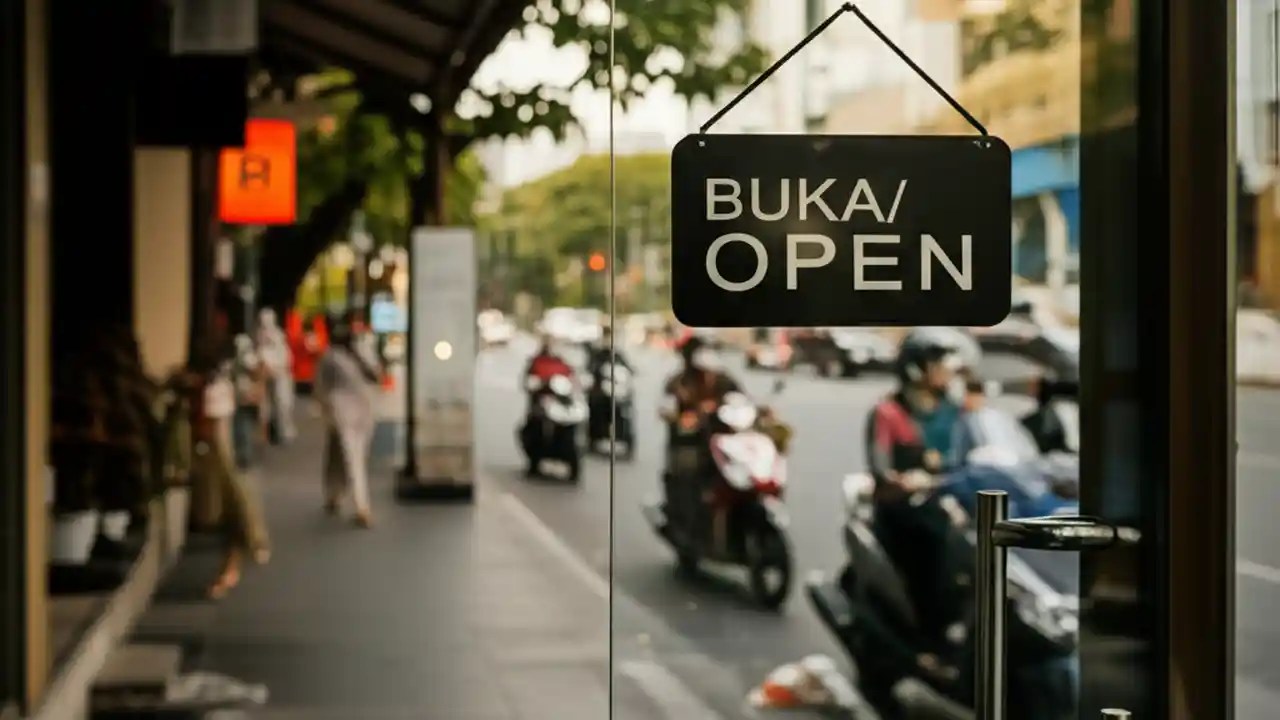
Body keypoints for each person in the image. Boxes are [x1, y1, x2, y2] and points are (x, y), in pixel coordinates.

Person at [862, 329, 972, 675]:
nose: (947, 370)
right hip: (905, 509)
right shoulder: (887, 412)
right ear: (915, 369)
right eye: (938, 363)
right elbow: (880, 468)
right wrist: (903, 480)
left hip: (953, 497)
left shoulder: (954, 410)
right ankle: (934, 641)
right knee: (940, 545)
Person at [191, 343, 271, 599]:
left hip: (223, 459)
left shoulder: (219, 387)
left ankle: (231, 569)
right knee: (233, 514)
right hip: (227, 457)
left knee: (232, 513)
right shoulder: (227, 385)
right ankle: (233, 567)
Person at [315, 320, 382, 527]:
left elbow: (319, 387)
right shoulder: (364, 352)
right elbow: (378, 375)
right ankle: (343, 497)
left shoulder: (330, 357)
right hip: (365, 409)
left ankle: (353, 502)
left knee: (348, 456)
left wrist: (322, 408)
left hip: (342, 411)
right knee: (345, 454)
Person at [256, 308, 297, 444]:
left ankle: (285, 430)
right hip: (266, 373)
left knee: (283, 402)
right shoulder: (259, 336)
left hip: (281, 373)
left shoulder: (278, 335)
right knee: (265, 405)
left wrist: (281, 367)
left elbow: (285, 355)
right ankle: (268, 432)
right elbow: (259, 354)